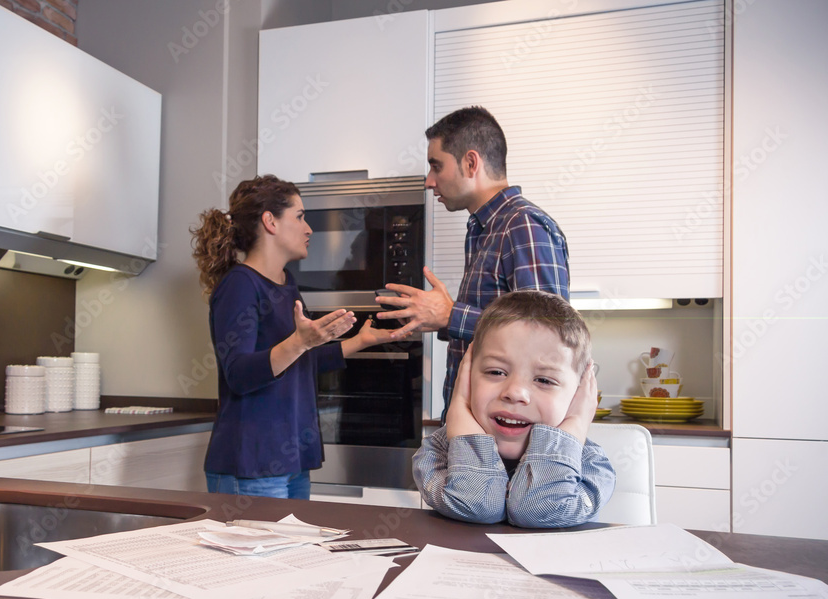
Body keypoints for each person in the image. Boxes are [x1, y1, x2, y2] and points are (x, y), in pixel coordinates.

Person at [190, 175, 396, 500]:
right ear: (270, 221)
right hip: (252, 462)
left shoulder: (286, 285)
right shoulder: (240, 286)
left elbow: (300, 361)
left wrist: (361, 341)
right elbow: (239, 374)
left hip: (291, 461)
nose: (308, 228)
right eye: (299, 216)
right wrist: (299, 341)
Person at [375, 106, 570, 420]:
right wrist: (440, 320)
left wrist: (451, 315)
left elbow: (550, 338)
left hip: (506, 433)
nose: (429, 181)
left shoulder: (523, 225)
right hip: (477, 429)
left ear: (470, 162)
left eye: (436, 166)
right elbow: (501, 329)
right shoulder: (484, 229)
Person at [412, 290, 615, 527]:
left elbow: (539, 510)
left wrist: (577, 423)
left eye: (544, 380)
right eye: (496, 372)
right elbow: (478, 505)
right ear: (466, 378)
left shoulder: (591, 464)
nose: (515, 392)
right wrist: (463, 423)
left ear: (580, 394)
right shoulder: (436, 452)